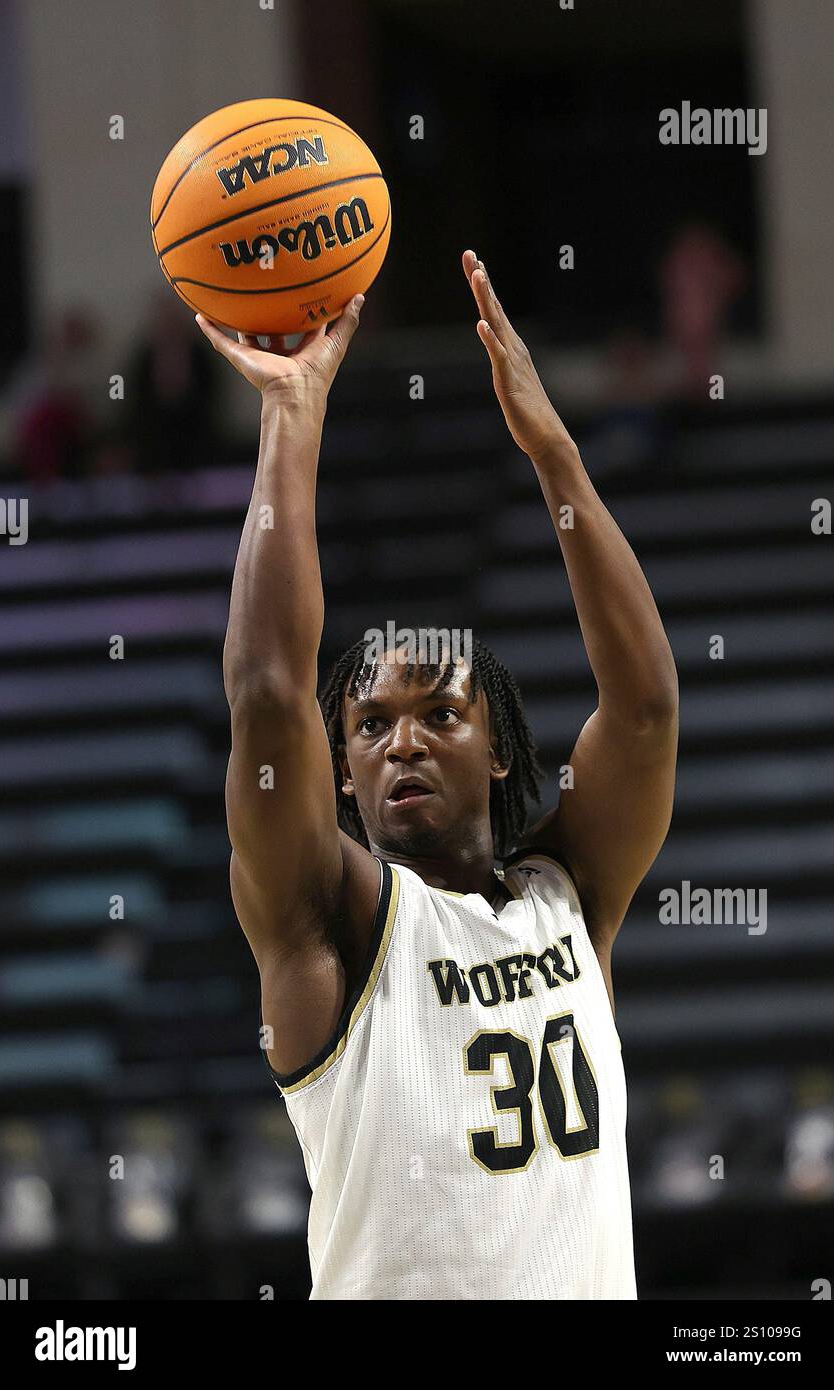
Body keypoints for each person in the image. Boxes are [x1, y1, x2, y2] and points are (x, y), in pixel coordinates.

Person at [195, 250, 679, 1300]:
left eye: (439, 713)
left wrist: (552, 450)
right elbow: (269, 694)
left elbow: (641, 711)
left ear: (500, 745)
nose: (399, 740)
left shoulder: (571, 896)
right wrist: (291, 413)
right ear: (341, 771)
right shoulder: (332, 924)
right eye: (368, 723)